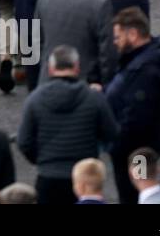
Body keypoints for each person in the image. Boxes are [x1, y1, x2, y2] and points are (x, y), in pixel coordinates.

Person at [16, 45, 119, 205]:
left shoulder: (35, 99)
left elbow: (24, 141)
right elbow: (111, 133)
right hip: (84, 177)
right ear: (77, 68)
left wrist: (42, 160)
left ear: (50, 69)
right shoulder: (93, 98)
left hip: (48, 176)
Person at [107, 9, 160, 204]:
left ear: (132, 34)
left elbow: (137, 120)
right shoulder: (141, 60)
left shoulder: (145, 70)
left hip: (135, 151)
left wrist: (116, 144)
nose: (115, 42)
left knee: (137, 193)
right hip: (137, 149)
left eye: (118, 37)